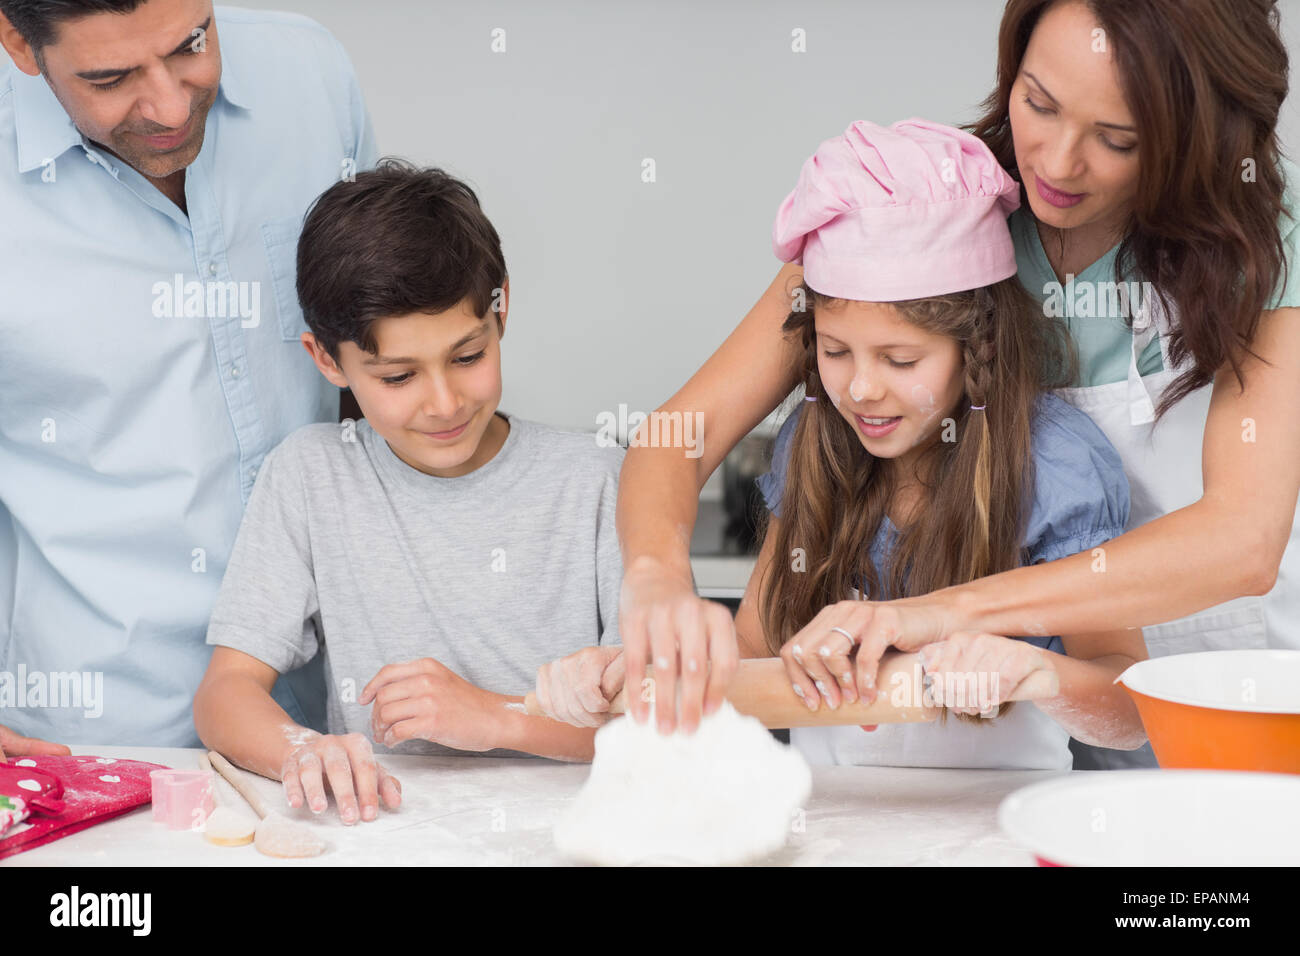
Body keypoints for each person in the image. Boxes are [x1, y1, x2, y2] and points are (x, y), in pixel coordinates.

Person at [605, 0, 1300, 771]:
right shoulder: (926, 210)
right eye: (1038, 102)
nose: (1059, 163)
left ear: (1196, 139)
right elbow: (676, 436)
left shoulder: (1265, 232)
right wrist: (655, 578)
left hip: (1217, 673)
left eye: (1117, 139)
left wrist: (944, 617)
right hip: (1042, 725)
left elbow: (1243, 541)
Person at [538, 120, 1149, 770]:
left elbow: (1131, 714)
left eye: (901, 360)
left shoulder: (1056, 466)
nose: (860, 389)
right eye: (834, 351)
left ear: (980, 348)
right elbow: (747, 662)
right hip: (829, 824)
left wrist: (1034, 671)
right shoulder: (816, 444)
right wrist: (637, 678)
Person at [193, 161, 624, 824]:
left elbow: (659, 722)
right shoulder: (310, 477)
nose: (445, 402)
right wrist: (301, 751)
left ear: (500, 309)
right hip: (387, 835)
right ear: (327, 360)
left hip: (578, 835)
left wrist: (496, 717)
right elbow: (225, 692)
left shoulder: (597, 478)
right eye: (398, 376)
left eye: (468, 356)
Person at [0, 0, 375, 756]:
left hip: (343, 716)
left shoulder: (311, 75)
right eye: (110, 77)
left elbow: (373, 357)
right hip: (98, 742)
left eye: (192, 45)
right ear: (18, 42)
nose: (171, 105)